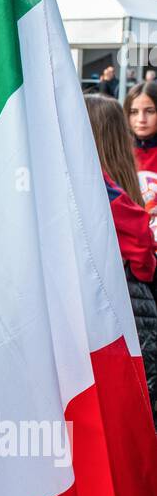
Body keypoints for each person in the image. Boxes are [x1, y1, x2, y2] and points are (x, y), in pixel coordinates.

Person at [84, 93, 157, 427]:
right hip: (130, 304)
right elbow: (143, 246)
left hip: (117, 310)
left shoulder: (93, 185)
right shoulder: (113, 189)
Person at [124, 80, 157, 241]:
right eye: (134, 112)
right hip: (132, 241)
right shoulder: (119, 152)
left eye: (150, 111)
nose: (141, 119)